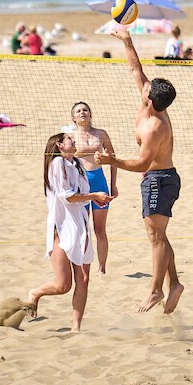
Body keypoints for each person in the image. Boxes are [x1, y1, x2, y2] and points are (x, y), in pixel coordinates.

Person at [95, 28, 184, 313]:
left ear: (151, 101)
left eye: (147, 89)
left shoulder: (154, 128)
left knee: (156, 237)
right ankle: (174, 283)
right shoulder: (151, 103)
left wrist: (112, 161)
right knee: (159, 235)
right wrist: (127, 41)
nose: (143, 86)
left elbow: (142, 164)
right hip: (157, 179)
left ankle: (156, 290)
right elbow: (135, 69)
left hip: (159, 179)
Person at [26, 133, 112, 331]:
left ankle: (76, 328)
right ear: (59, 145)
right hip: (61, 226)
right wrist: (93, 196)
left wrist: (96, 199)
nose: (73, 141)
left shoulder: (78, 164)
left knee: (84, 280)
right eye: (69, 139)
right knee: (63, 286)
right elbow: (67, 196)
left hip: (80, 225)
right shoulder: (57, 163)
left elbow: (82, 196)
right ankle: (36, 293)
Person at [69, 102, 118, 274]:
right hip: (80, 183)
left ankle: (102, 268)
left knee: (100, 229)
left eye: (85, 110)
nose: (82, 112)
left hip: (99, 181)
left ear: (90, 114)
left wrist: (113, 184)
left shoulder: (101, 133)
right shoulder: (70, 136)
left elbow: (113, 159)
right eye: (78, 111)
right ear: (73, 117)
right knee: (83, 228)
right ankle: (83, 266)